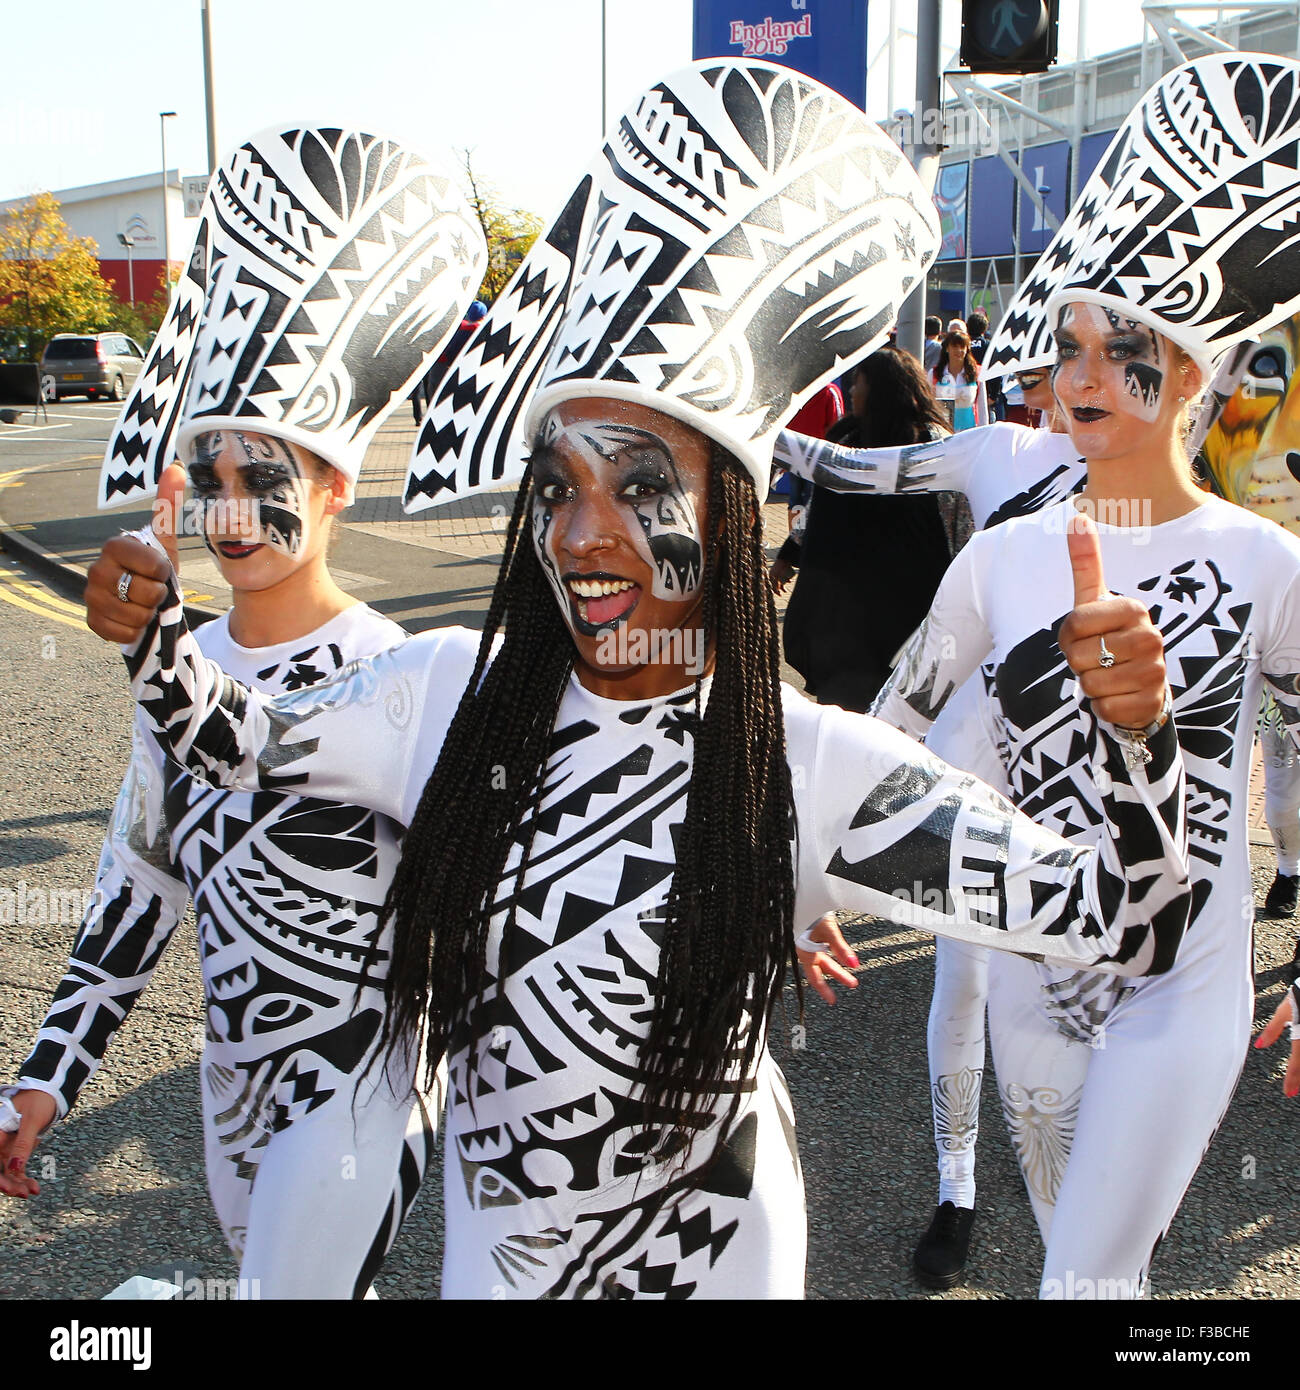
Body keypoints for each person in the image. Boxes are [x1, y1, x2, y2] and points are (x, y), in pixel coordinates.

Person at [80, 61, 1191, 1300]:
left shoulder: (807, 764)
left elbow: (1129, 922)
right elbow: (243, 741)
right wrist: (155, 636)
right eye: (558, 485)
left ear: (724, 509)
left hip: (719, 1255)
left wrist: (1137, 745)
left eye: (640, 484)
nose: (583, 530)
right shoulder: (443, 695)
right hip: (504, 1249)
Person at [0, 126, 487, 1298]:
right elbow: (138, 883)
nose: (232, 512)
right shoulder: (181, 661)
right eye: (210, 480)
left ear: (334, 487)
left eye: (264, 480)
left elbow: (529, 852)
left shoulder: (404, 670)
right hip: (233, 1092)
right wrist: (46, 1074)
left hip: (368, 1082)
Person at [865, 52, 1300, 1299]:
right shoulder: (999, 563)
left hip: (1190, 979)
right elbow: (879, 734)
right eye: (1070, 348)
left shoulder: (1266, 565)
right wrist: (791, 874)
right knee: (1088, 1274)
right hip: (1032, 974)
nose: (1083, 376)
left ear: (1197, 377)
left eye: (1126, 351)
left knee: (1082, 1281)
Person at [771, 349, 958, 711]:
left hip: (907, 607)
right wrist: (788, 555)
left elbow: (957, 517)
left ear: (883, 388)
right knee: (845, 709)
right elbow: (817, 506)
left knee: (898, 710)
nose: (853, 391)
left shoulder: (933, 443)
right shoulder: (846, 438)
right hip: (841, 612)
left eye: (859, 383)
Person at [931, 327, 988, 431]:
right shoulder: (934, 373)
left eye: (962, 347)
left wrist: (983, 433)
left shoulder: (977, 373)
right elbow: (929, 405)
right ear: (947, 348)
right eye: (954, 346)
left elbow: (982, 408)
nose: (959, 350)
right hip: (943, 433)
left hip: (969, 432)